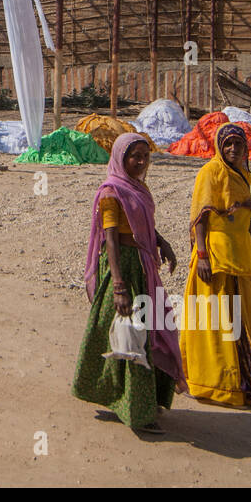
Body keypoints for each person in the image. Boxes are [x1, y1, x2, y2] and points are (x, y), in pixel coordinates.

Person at [72, 133, 187, 433]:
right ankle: (138, 412)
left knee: (147, 333)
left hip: (143, 265)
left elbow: (143, 226)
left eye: (144, 155)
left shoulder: (138, 187)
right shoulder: (112, 192)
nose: (140, 161)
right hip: (124, 268)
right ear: (120, 159)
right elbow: (110, 239)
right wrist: (119, 286)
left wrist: (163, 243)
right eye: (134, 156)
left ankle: (138, 400)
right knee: (133, 335)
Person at [179, 123, 251, 407]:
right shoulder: (211, 172)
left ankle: (240, 379)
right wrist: (203, 256)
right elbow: (201, 217)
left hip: (242, 256)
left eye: (238, 144)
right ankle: (214, 382)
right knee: (218, 320)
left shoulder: (244, 173)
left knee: (244, 319)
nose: (233, 149)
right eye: (228, 144)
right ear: (220, 147)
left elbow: (247, 223)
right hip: (217, 257)